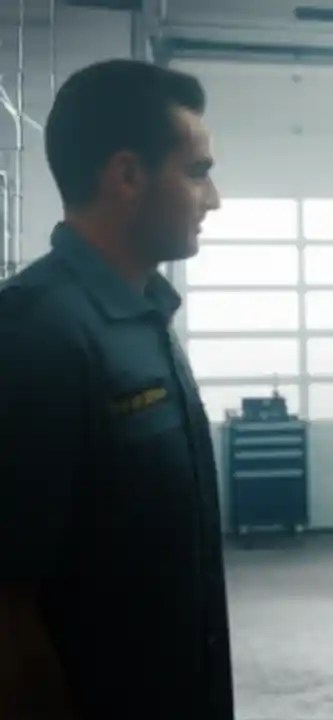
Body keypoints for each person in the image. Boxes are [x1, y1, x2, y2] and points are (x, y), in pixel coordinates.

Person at [0, 60, 231, 719]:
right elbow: (8, 609)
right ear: (127, 176)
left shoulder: (143, 315)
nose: (213, 198)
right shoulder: (33, 334)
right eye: (197, 172)